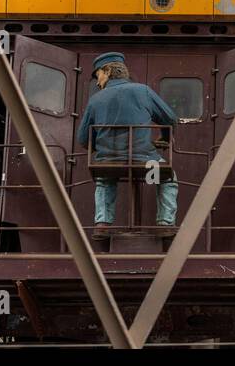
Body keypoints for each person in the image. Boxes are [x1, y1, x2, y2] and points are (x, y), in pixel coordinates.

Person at [76, 52, 178, 235]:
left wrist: (103, 148)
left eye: (97, 74)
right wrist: (164, 137)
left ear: (107, 71)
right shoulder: (143, 91)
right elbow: (169, 118)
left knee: (104, 179)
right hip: (146, 161)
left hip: (108, 162)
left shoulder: (95, 100)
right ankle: (165, 224)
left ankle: (102, 224)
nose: (97, 80)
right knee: (166, 178)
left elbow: (83, 140)